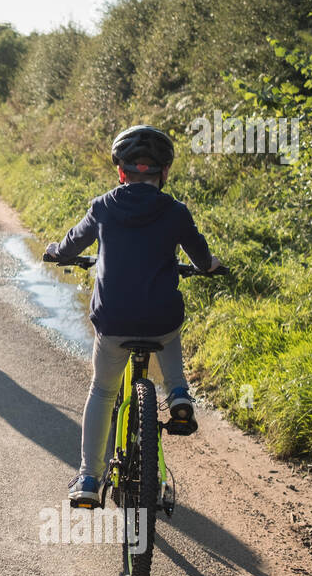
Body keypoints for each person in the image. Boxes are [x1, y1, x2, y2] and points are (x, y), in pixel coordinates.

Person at [44, 125, 222, 509]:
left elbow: (74, 241)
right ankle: (178, 394)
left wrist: (57, 251)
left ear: (120, 172)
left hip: (114, 322)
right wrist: (211, 266)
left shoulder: (103, 206)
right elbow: (201, 258)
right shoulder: (175, 211)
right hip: (159, 320)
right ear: (164, 173)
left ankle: (89, 479)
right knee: (169, 329)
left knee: (103, 391)